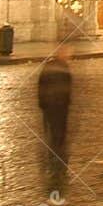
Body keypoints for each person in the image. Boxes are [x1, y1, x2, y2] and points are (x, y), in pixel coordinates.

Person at [37, 47, 73, 193]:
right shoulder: (61, 68)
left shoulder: (54, 67)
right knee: (58, 134)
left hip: (54, 106)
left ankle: (56, 160)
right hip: (56, 106)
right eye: (67, 54)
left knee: (55, 133)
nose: (69, 56)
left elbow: (41, 86)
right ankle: (56, 162)